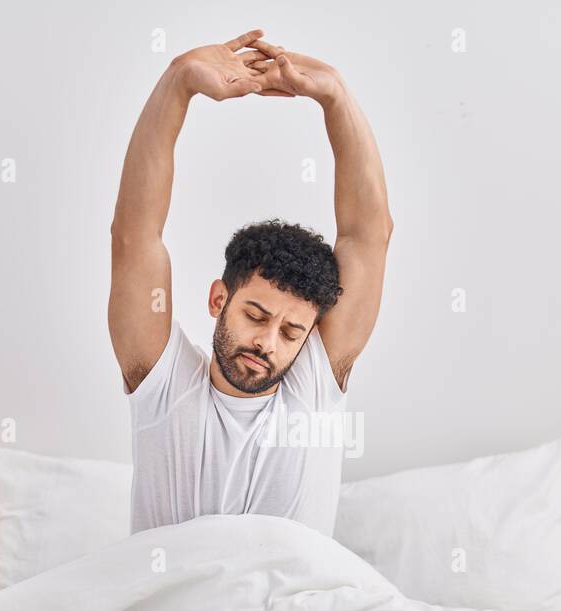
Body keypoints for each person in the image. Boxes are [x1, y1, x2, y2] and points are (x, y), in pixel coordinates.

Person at [108, 29, 393, 536]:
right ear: (219, 298)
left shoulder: (313, 387)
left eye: (290, 332)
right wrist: (178, 83)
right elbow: (134, 238)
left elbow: (368, 237)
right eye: (255, 315)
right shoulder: (163, 386)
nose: (266, 342)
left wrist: (335, 94)